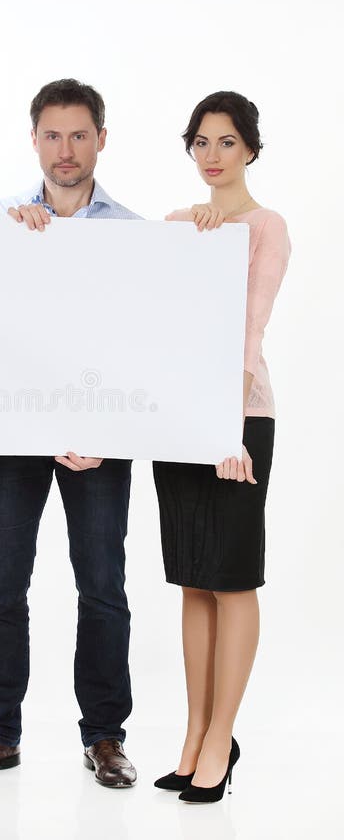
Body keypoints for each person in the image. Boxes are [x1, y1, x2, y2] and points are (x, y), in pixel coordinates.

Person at [0, 79, 142, 789]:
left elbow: (139, 346)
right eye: (52, 135)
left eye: (79, 134)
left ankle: (107, 737)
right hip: (13, 432)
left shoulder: (133, 234)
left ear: (102, 141)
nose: (66, 149)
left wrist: (108, 432)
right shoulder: (0, 219)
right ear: (34, 141)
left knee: (103, 587)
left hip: (96, 441)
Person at [152, 91, 290, 803]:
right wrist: (192, 237)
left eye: (226, 142)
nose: (212, 156)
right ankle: (194, 731)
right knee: (194, 578)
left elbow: (250, 329)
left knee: (233, 575)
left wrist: (228, 427)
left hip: (238, 417)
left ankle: (220, 737)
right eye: (201, 142)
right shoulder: (182, 226)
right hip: (178, 420)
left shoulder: (266, 227)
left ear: (251, 150)